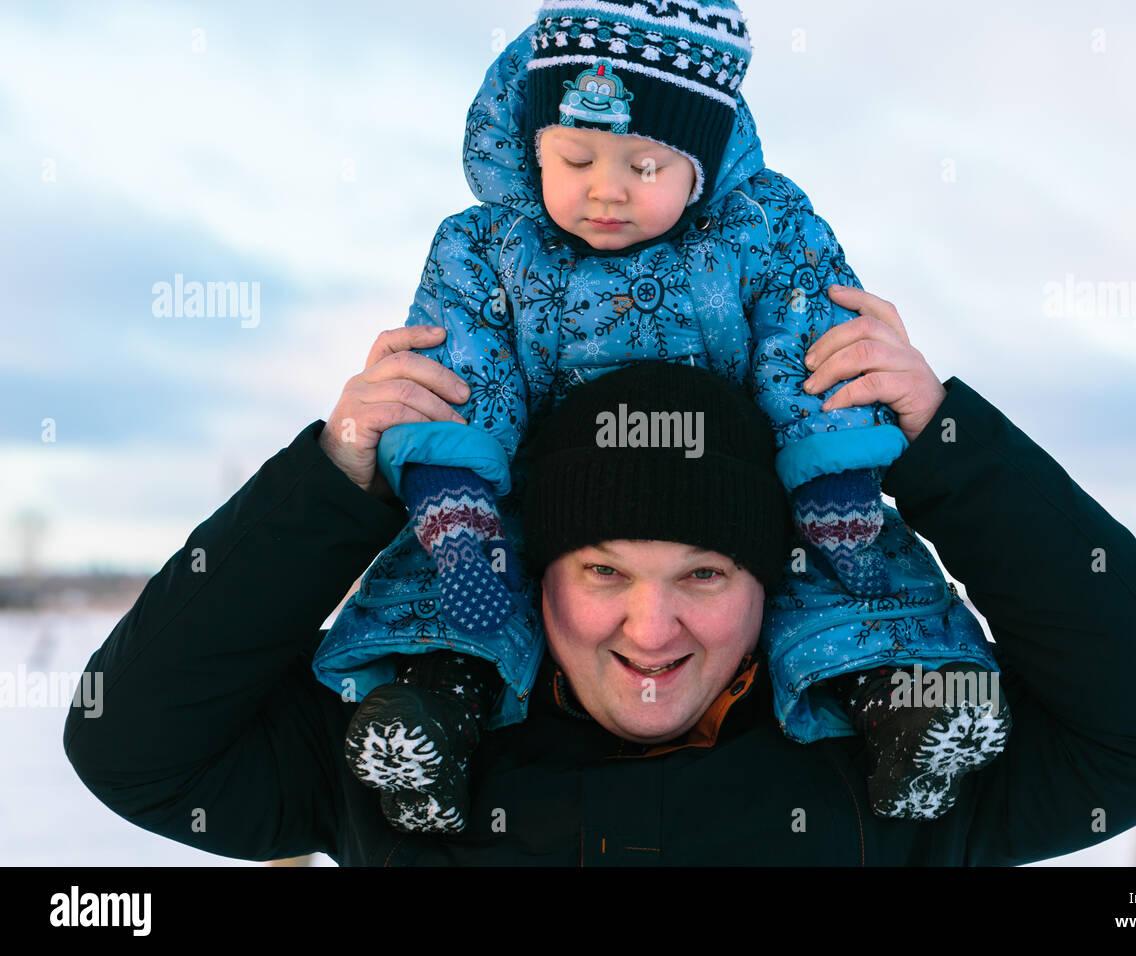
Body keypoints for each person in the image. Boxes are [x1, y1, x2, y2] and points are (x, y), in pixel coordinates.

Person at [62, 300, 1136, 865]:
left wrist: (944, 451)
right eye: (602, 570)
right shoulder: (402, 754)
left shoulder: (897, 761)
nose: (651, 624)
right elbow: (136, 742)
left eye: (706, 572)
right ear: (533, 578)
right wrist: (338, 482)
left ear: (775, 581)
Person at [314, 0, 1008, 835]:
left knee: (848, 575)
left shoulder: (762, 230)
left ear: (701, 168)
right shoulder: (485, 244)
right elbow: (458, 366)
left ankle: (905, 709)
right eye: (575, 159)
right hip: (531, 495)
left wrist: (835, 474)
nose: (605, 190)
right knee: (454, 588)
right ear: (533, 147)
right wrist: (451, 491)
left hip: (747, 492)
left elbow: (812, 347)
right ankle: (433, 715)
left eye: (645, 167)